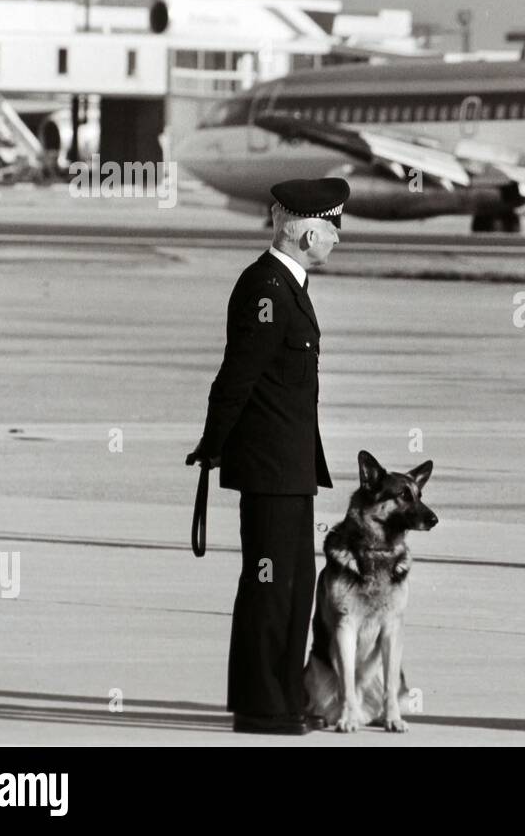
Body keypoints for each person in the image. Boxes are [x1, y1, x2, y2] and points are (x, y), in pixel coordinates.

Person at [185, 177, 345, 735]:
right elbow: (237, 376)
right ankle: (259, 705)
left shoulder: (289, 285)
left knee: (296, 588)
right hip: (269, 468)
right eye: (331, 228)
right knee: (269, 588)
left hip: (292, 466)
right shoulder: (267, 289)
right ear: (304, 233)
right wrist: (213, 445)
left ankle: (281, 697)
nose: (337, 240)